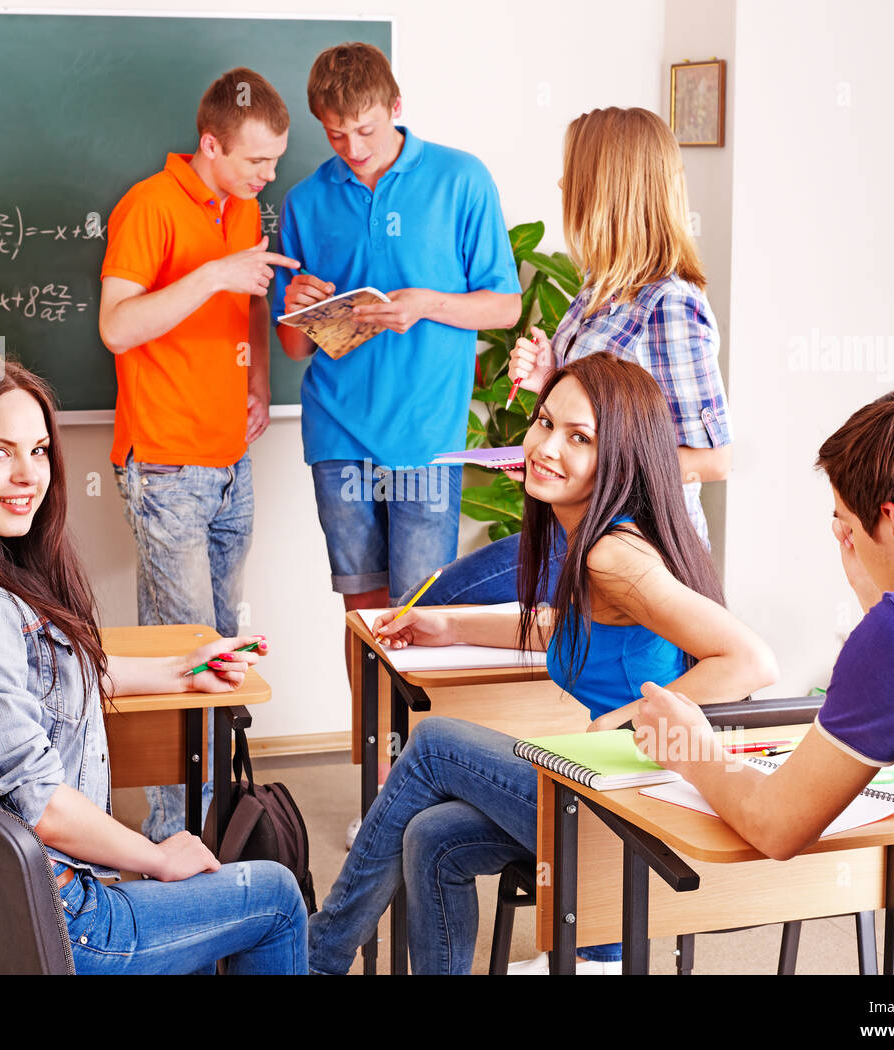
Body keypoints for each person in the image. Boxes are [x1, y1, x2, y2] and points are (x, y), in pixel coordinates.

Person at [0, 363, 306, 974]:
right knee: (275, 897)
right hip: (51, 920)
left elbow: (41, 681)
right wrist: (156, 857)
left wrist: (179, 672)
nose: (29, 475)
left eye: (38, 450)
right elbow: (40, 803)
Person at [307, 353, 777, 975]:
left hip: (634, 802)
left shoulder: (614, 555)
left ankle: (318, 955)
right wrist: (454, 625)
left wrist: (627, 721)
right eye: (546, 423)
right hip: (604, 786)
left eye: (580, 438)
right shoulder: (595, 539)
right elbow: (574, 627)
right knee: (432, 837)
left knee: (433, 744)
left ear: (620, 458)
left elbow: (751, 660)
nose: (547, 447)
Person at [631, 378, 894, 976]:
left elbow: (777, 825)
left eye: (846, 526)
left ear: (893, 524)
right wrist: (882, 601)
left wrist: (689, 746)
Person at [408, 106, 731, 608]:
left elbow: (712, 460)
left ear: (604, 191)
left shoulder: (669, 304)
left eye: (572, 174)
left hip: (631, 544)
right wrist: (550, 379)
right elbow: (602, 410)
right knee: (425, 608)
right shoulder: (599, 288)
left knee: (429, 606)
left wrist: (584, 467)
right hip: (576, 529)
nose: (562, 185)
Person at [98, 68, 298, 843]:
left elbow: (250, 304)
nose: (268, 175)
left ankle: (199, 824)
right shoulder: (148, 206)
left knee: (212, 642)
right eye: (257, 160)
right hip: (166, 467)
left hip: (230, 463)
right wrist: (213, 273)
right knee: (187, 652)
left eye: (275, 160)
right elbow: (117, 326)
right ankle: (174, 836)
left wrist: (260, 381)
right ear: (210, 144)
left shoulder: (242, 208)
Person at [274, 42, 520, 618]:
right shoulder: (304, 202)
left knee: (419, 613)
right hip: (338, 433)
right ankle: (363, 691)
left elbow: (505, 308)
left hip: (426, 438)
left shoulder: (461, 179)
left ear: (395, 107)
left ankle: (411, 691)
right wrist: (297, 305)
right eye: (335, 135)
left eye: (365, 130)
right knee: (362, 612)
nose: (353, 149)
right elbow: (293, 347)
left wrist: (427, 304)